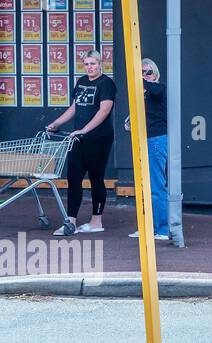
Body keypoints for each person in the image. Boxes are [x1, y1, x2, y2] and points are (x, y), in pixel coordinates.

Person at [46, 51, 115, 234]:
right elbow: (75, 107)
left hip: (99, 138)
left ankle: (96, 222)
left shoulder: (106, 83)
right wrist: (57, 123)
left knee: (96, 179)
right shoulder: (82, 81)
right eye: (86, 64)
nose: (89, 67)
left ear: (100, 64)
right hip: (78, 138)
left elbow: (104, 111)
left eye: (93, 63)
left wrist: (85, 130)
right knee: (73, 179)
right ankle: (70, 222)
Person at [125, 58, 169, 241]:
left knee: (157, 185)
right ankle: (147, 227)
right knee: (144, 185)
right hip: (143, 139)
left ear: (155, 73)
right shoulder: (142, 94)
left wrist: (138, 78)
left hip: (156, 140)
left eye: (148, 72)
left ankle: (163, 229)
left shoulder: (159, 88)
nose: (145, 75)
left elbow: (156, 91)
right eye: (141, 72)